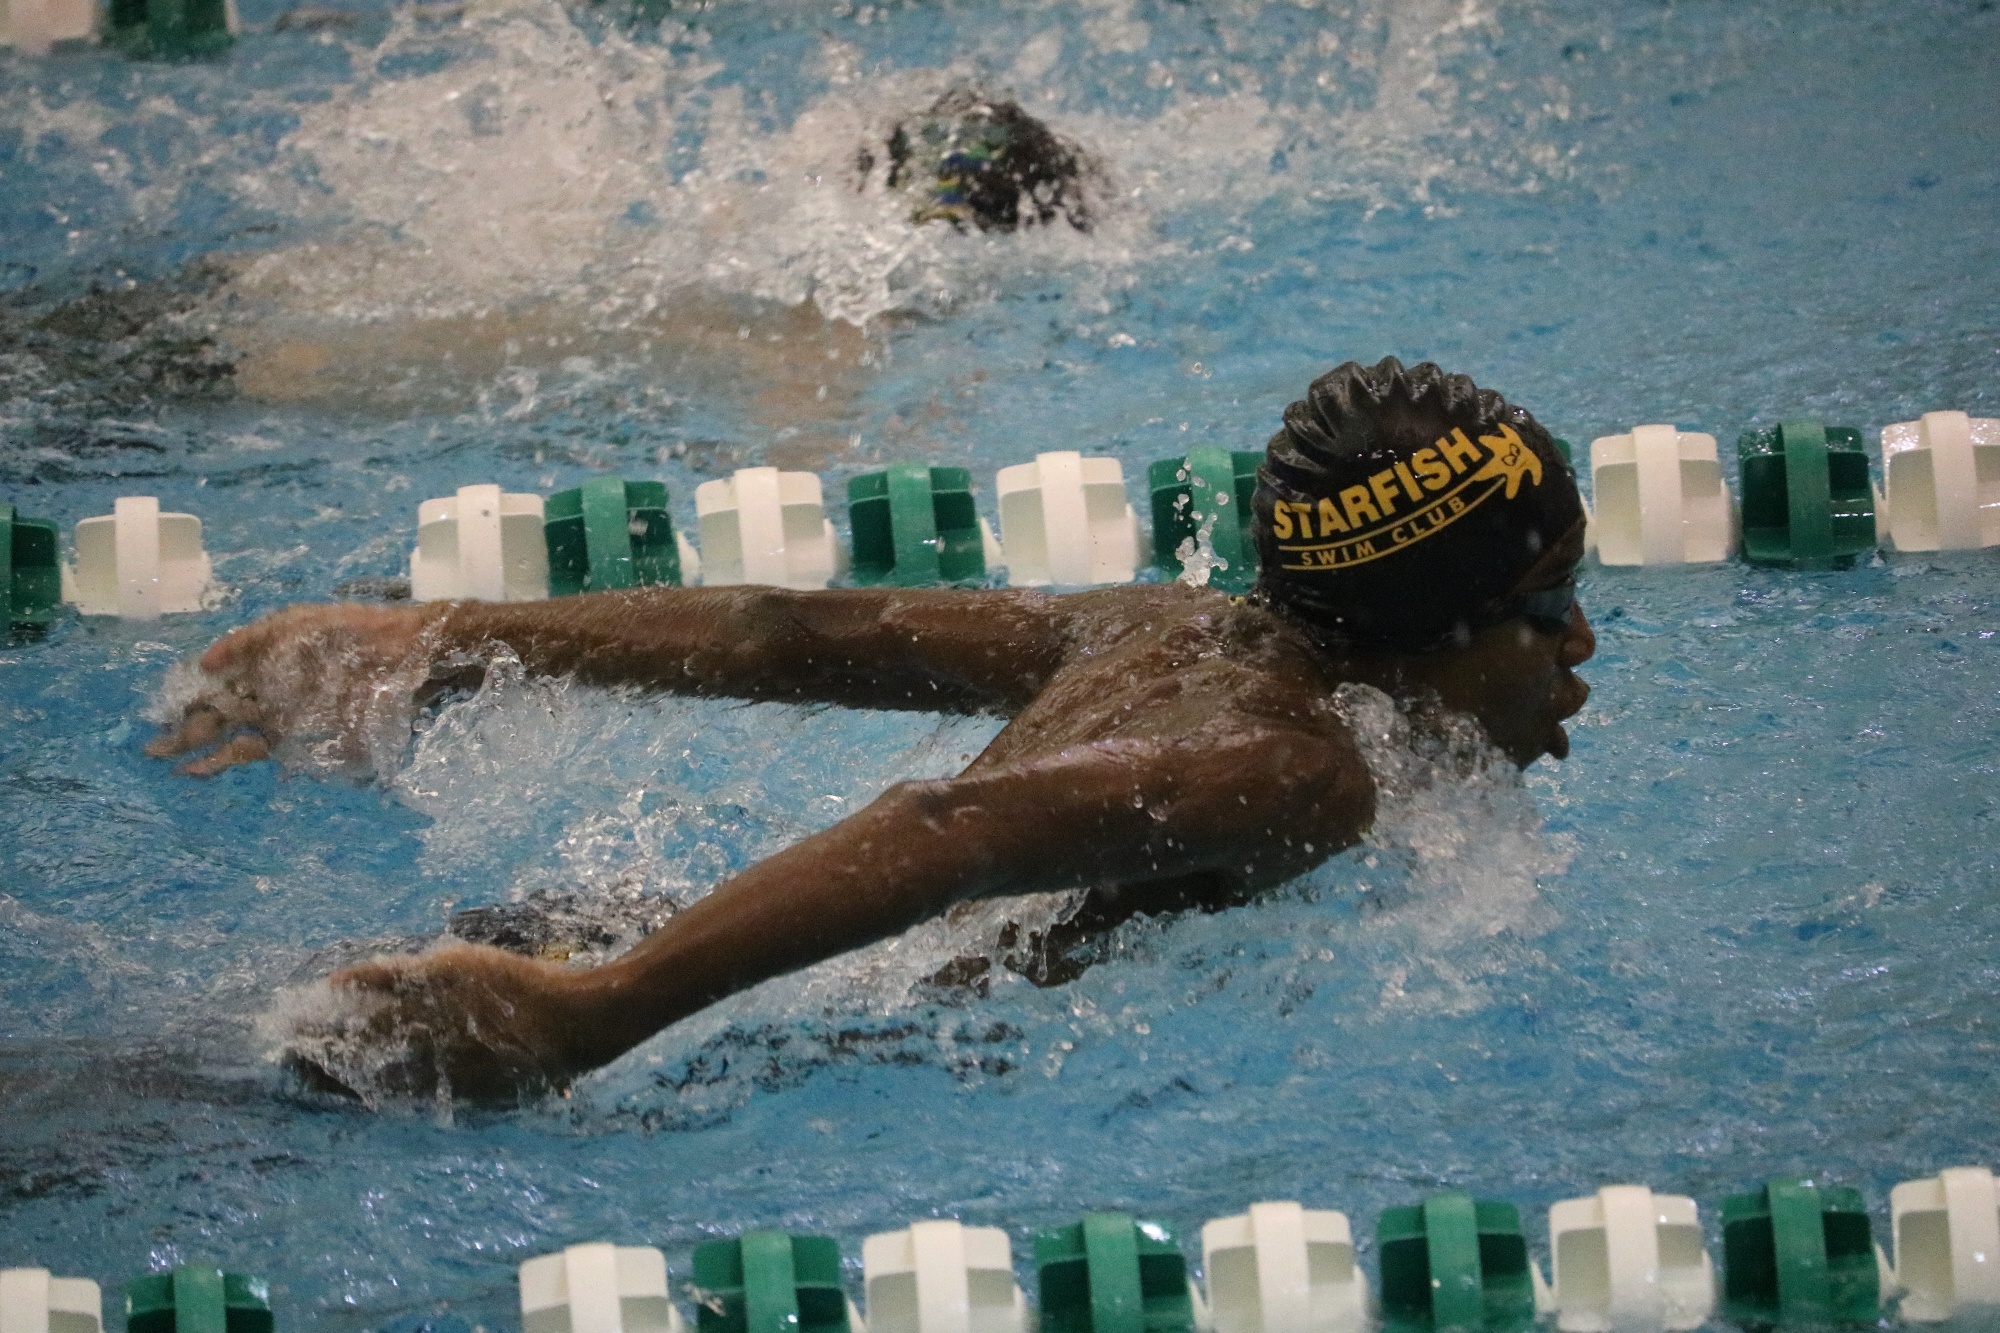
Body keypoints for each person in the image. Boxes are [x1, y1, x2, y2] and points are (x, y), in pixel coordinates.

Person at [148, 357, 1594, 1102]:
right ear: (1441, 627)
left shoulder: (1176, 626)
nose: (1582, 644)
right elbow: (939, 833)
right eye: (1551, 601)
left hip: (649, 930)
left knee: (162, 1062)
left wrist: (446, 638)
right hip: (713, 1016)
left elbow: (785, 628)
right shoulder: (1308, 769)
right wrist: (589, 1013)